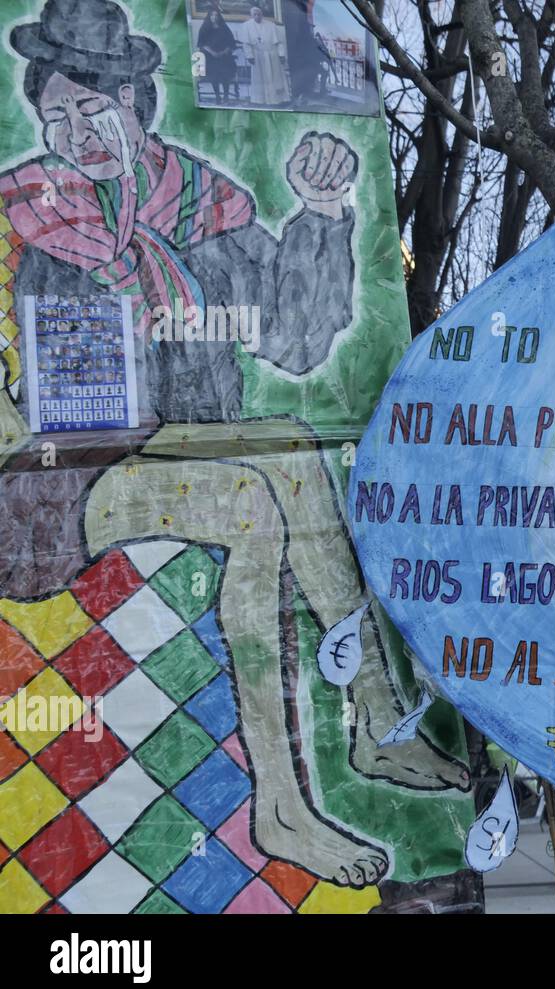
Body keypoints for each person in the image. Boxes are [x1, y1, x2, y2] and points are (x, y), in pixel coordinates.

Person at [0, 0, 469, 889]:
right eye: (55, 115)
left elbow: (293, 339)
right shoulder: (28, 215)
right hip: (46, 479)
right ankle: (282, 806)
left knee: (295, 446)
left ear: (134, 101)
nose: (74, 133)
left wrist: (322, 210)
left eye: (90, 106)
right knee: (252, 499)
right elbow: (53, 405)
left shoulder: (196, 199)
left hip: (143, 439)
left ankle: (376, 719)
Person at [238, 5, 289, 106]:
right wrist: (249, 56)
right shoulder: (247, 26)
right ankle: (260, 100)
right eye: (255, 15)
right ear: (252, 15)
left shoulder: (271, 25)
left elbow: (279, 43)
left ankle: (277, 99)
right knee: (259, 79)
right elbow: (246, 44)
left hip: (272, 55)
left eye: (259, 14)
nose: (257, 16)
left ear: (262, 14)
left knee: (275, 78)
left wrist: (281, 54)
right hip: (257, 56)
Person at [196, 5, 238, 104]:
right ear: (209, 16)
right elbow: (201, 44)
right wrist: (213, 53)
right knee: (214, 75)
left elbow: (231, 42)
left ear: (219, 17)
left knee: (225, 75)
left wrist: (224, 51)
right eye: (212, 15)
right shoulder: (204, 28)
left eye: (216, 15)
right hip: (210, 57)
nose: (214, 17)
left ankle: (226, 96)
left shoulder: (224, 28)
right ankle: (218, 96)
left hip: (224, 56)